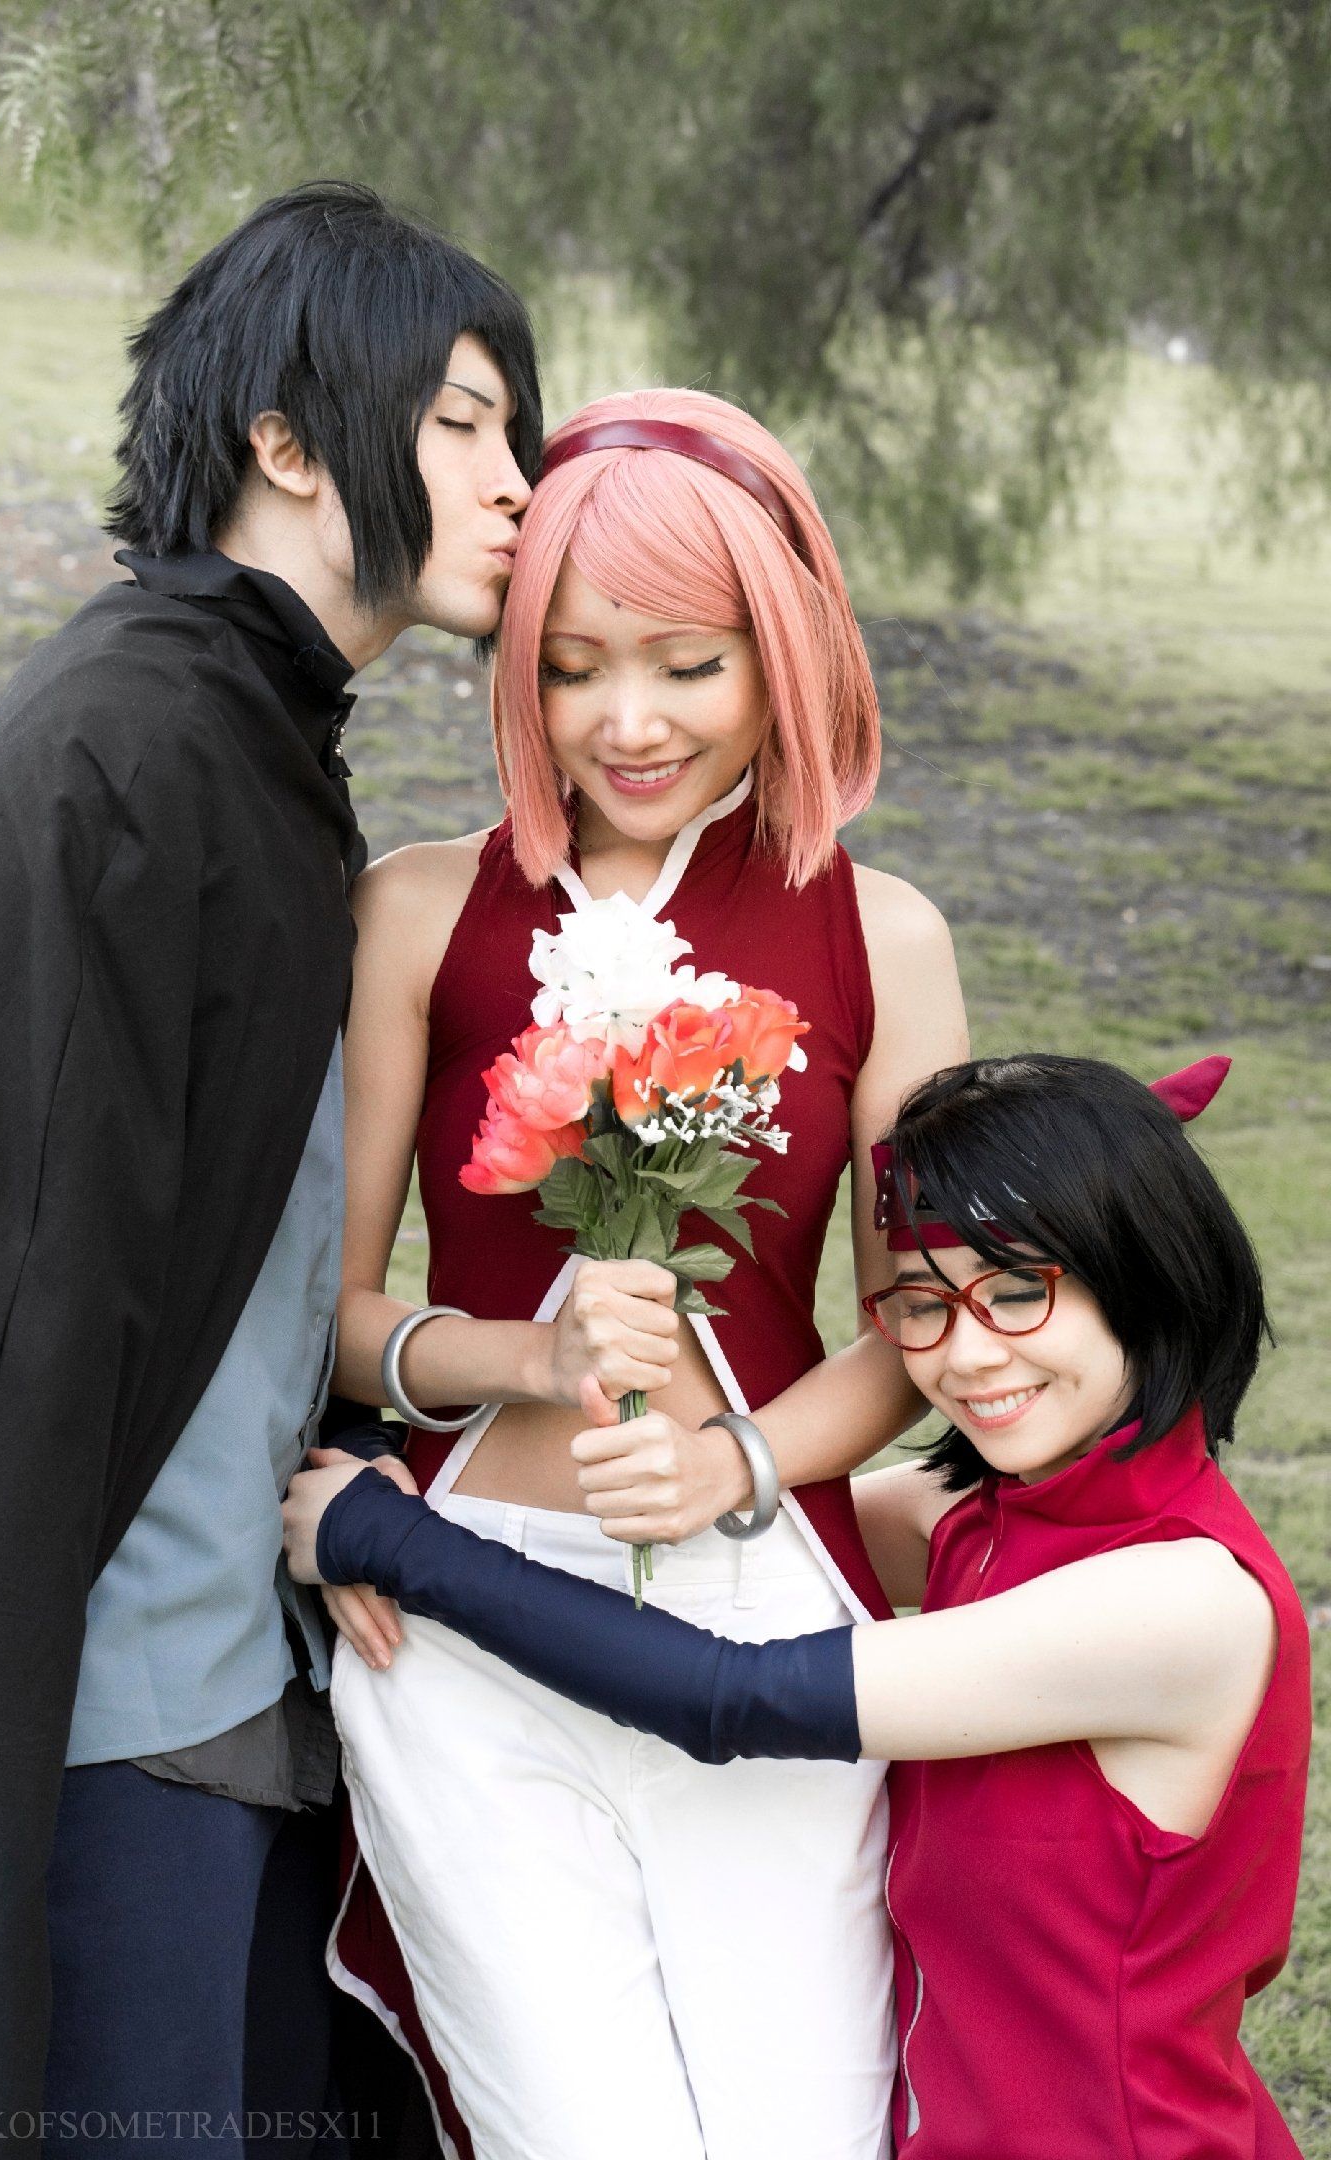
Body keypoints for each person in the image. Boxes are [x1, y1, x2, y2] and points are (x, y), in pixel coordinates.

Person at [0, 180, 539, 2158]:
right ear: (285, 441)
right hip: (107, 1717)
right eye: (461, 423)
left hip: (233, 1676)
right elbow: (13, 1310)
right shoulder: (131, 754)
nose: (514, 483)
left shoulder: (246, 740)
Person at [310, 387, 968, 2159]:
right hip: (461, 1615)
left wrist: (733, 1462)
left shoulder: (883, 936)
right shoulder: (420, 912)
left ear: (782, 653)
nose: (628, 721)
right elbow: (328, 1316)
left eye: (688, 664)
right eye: (572, 668)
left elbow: (917, 1330)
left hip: (772, 1606)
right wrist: (519, 1362)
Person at [287, 1051, 1311, 2160]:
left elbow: (731, 1695)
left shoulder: (1181, 1601)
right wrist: (387, 1471)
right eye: (922, 1306)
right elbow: (726, 1557)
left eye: (1019, 1292)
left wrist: (394, 1543)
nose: (968, 1356)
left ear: (1147, 1274)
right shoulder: (990, 1518)